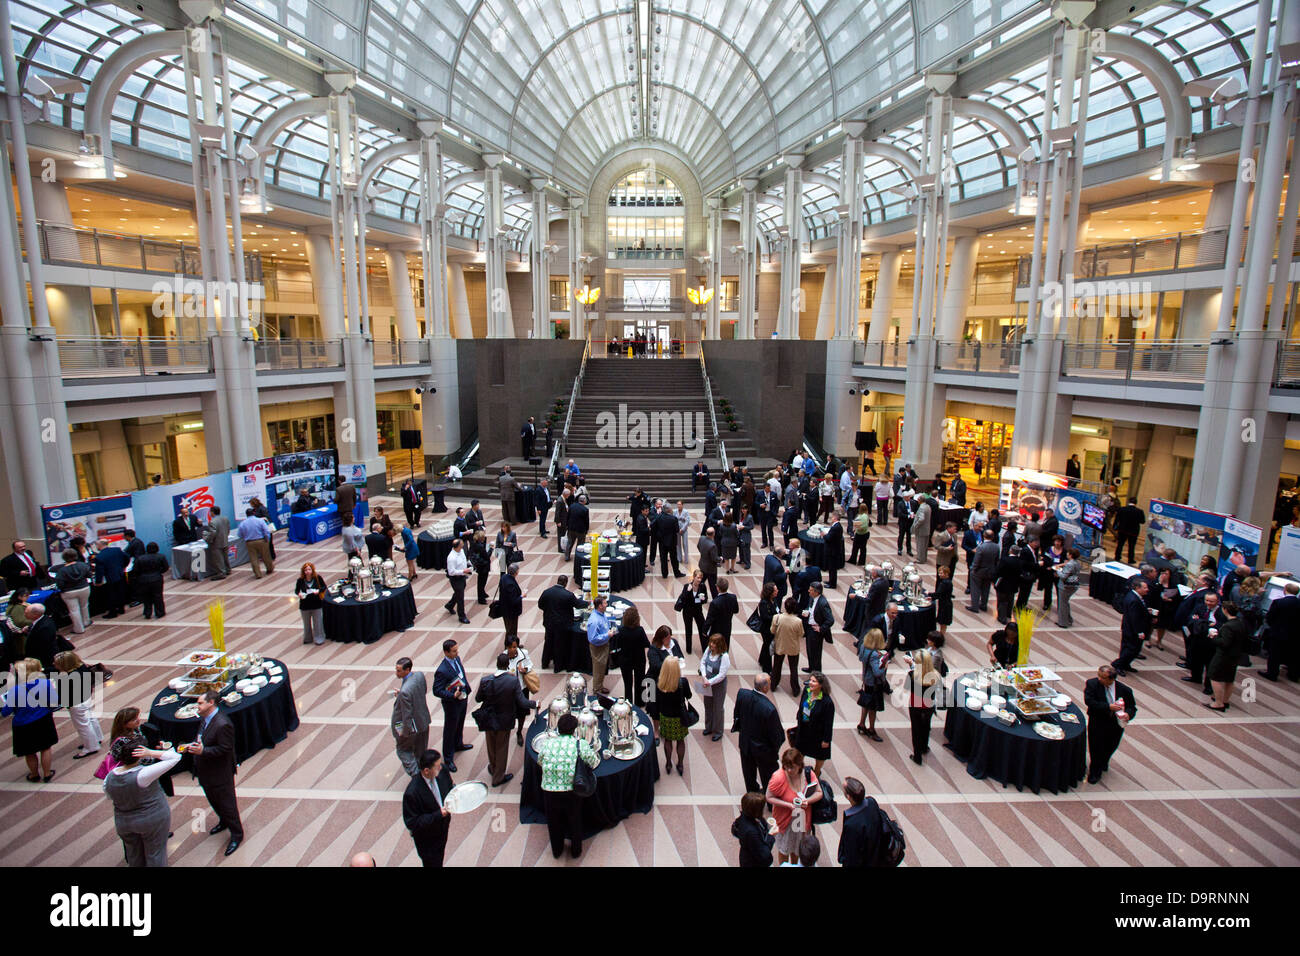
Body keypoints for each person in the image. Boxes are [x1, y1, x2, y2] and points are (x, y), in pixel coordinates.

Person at [102, 732, 181, 867]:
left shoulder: (110, 777)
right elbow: (175, 757)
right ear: (139, 756)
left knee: (134, 855)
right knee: (156, 854)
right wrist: (150, 752)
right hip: (151, 819)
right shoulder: (142, 775)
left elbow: (110, 796)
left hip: (123, 822)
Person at [536, 712, 600, 859]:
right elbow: (594, 762)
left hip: (549, 790)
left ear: (558, 728)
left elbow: (540, 761)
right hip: (572, 791)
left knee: (553, 822)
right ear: (574, 729)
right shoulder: (580, 744)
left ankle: (556, 850)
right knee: (575, 820)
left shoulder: (548, 743)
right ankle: (576, 851)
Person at [191, 690, 243, 856]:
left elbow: (225, 749)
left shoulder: (222, 724)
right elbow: (202, 738)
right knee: (213, 799)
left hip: (220, 773)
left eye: (200, 703)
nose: (197, 706)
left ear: (211, 703)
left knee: (228, 804)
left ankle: (237, 833)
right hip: (205, 770)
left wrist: (203, 751)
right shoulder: (205, 719)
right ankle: (223, 821)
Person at [475, 651, 537, 787]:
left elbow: (478, 698)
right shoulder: (512, 681)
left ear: (497, 664)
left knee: (491, 745)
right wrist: (535, 704)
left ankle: (493, 767)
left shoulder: (485, 680)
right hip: (504, 719)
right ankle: (498, 777)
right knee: (502, 747)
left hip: (488, 718)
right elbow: (522, 702)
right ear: (508, 665)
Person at [3, 657, 58, 782]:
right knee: (45, 747)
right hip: (43, 719)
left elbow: (6, 712)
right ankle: (47, 773)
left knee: (29, 752)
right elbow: (54, 700)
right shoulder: (45, 683)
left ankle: (34, 774)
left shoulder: (15, 690)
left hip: (23, 725)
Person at [765, 748, 822, 865]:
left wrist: (807, 801)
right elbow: (769, 797)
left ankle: (795, 864)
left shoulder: (808, 774)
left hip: (802, 820)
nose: (789, 770)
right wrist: (788, 805)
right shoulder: (778, 777)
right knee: (783, 849)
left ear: (800, 765)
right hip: (785, 821)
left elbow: (819, 792)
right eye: (786, 767)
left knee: (798, 848)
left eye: (793, 767)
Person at [732, 674, 784, 795]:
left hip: (745, 743)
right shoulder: (769, 709)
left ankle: (752, 796)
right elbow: (777, 735)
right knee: (768, 777)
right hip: (763, 750)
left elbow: (737, 715)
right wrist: (774, 749)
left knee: (748, 774)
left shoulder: (742, 694)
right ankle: (771, 803)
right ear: (765, 687)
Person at [1084, 665, 1136, 784]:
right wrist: (1108, 707)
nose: (1099, 679)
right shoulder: (1092, 684)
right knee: (1096, 747)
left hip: (1115, 724)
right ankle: (1094, 772)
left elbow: (1132, 707)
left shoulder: (1125, 690)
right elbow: (1090, 701)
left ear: (1111, 679)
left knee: (1111, 745)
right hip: (1098, 721)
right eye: (1099, 676)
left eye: (1103, 677)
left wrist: (1128, 714)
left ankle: (1104, 761)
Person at [402, 749, 451, 867]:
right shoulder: (412, 793)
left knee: (439, 859)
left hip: (442, 830)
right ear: (426, 771)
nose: (441, 768)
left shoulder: (442, 771)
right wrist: (438, 814)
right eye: (437, 766)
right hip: (427, 840)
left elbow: (449, 786)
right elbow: (412, 823)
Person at [52, 650, 103, 759]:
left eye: (56, 663)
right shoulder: (83, 667)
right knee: (91, 718)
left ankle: (91, 746)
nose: (54, 664)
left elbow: (63, 695)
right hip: (86, 697)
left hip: (76, 703)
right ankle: (97, 737)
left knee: (83, 726)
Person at [904, 633, 946, 765]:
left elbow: (908, 687)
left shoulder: (913, 675)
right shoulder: (935, 675)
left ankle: (917, 756)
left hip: (916, 705)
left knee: (916, 730)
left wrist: (912, 666)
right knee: (926, 726)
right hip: (928, 705)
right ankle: (924, 746)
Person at [433, 639, 472, 772]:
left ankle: (458, 744)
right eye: (454, 651)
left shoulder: (457, 659)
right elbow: (437, 690)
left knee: (460, 723)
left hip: (462, 697)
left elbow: (461, 673)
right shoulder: (441, 670)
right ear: (446, 652)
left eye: (457, 649)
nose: (457, 652)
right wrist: (451, 695)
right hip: (452, 703)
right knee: (450, 729)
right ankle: (448, 758)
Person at [537, 574, 587, 671]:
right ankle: (558, 666)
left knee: (548, 642)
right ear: (565, 583)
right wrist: (588, 603)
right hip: (561, 625)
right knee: (559, 645)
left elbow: (540, 605)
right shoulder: (568, 595)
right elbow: (578, 605)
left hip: (549, 622)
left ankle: (544, 663)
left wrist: (548, 611)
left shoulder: (547, 592)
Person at [1207, 601, 1250, 712]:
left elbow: (1224, 643)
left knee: (1214, 676)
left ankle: (1218, 702)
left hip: (1223, 655)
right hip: (1235, 655)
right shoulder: (1240, 623)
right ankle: (1225, 701)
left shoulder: (1228, 626)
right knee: (1229, 679)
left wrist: (1213, 637)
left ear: (1225, 610)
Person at [391, 657, 431, 777]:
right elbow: (421, 691)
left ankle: (416, 776)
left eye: (399, 671)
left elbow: (406, 716)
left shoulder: (405, 692)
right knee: (421, 751)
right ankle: (424, 773)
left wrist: (405, 733)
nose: (396, 673)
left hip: (412, 726)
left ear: (407, 670)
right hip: (423, 720)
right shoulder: (419, 676)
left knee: (402, 750)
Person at [838, 777, 887, 867]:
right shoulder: (872, 802)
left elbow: (852, 855)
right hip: (876, 854)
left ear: (848, 796)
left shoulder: (852, 824)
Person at [656, 656, 692, 775]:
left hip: (666, 716)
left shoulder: (659, 683)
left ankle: (668, 763)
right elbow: (689, 696)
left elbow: (657, 699)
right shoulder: (683, 682)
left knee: (668, 740)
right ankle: (680, 764)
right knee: (680, 741)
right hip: (680, 717)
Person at [793, 672, 833, 776]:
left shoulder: (827, 702)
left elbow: (828, 722)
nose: (810, 683)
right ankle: (798, 769)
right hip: (804, 729)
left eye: (813, 681)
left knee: (819, 755)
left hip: (817, 732)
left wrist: (826, 739)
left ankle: (817, 771)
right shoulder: (806, 692)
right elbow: (801, 706)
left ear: (821, 684)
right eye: (810, 680)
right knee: (799, 751)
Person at [1259, 582, 1299, 682]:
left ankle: (1272, 673)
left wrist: (1274, 626)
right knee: (1293, 654)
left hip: (1278, 632)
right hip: (1295, 634)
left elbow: (1270, 617)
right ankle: (1293, 675)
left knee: (1274, 654)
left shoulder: (1278, 602)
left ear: (1285, 590)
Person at [1113, 578, 1152, 676]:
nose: (1147, 589)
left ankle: (1126, 665)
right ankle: (1118, 665)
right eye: (1145, 587)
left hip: (1129, 628)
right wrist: (1139, 632)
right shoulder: (1134, 600)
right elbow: (1134, 618)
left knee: (1131, 649)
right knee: (1131, 649)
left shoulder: (1133, 596)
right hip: (1132, 630)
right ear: (1138, 588)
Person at [855, 627, 888, 742]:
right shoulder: (874, 654)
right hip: (874, 684)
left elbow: (861, 658)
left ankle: (862, 723)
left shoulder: (864, 647)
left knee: (866, 703)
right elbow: (877, 672)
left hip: (866, 680)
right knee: (872, 708)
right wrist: (884, 665)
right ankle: (871, 729)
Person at [504, 634, 537, 745]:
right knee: (508, 712)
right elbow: (498, 670)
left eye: (514, 647)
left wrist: (525, 669)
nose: (512, 649)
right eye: (510, 647)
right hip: (508, 690)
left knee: (522, 712)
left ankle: (519, 732)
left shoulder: (524, 653)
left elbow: (530, 664)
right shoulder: (503, 656)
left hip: (522, 688)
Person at [698, 633, 732, 742]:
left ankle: (718, 731)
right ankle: (708, 727)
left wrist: (709, 682)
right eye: (711, 642)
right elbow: (703, 662)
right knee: (707, 705)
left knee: (718, 708)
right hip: (707, 682)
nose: (711, 645)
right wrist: (704, 676)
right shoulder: (708, 650)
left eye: (714, 643)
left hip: (718, 686)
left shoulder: (724, 657)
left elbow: (722, 675)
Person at [614, 606, 650, 707]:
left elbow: (617, 645)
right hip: (639, 660)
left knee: (628, 684)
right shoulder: (640, 630)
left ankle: (628, 703)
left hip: (625, 660)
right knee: (640, 682)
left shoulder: (621, 630)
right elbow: (647, 644)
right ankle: (640, 703)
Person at [771, 598, 805, 696]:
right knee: (793, 668)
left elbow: (772, 631)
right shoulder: (798, 621)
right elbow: (801, 634)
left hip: (780, 646)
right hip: (793, 647)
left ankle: (773, 685)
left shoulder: (776, 617)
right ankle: (795, 689)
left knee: (776, 667)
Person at [53, 548, 92, 634]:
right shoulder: (83, 565)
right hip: (84, 588)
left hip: (69, 592)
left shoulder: (62, 571)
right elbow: (89, 575)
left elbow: (60, 584)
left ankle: (79, 629)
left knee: (74, 610)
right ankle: (86, 622)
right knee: (84, 606)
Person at [732, 791, 775, 868]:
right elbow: (763, 853)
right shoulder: (751, 832)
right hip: (754, 863)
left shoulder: (743, 817)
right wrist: (771, 835)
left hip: (747, 857)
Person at [676, 568, 710, 654]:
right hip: (687, 611)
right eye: (698, 577)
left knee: (702, 629)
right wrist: (688, 591)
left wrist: (703, 599)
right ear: (694, 577)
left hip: (698, 611)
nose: (699, 580)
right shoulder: (687, 586)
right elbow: (683, 598)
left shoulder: (702, 586)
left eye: (701, 578)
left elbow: (705, 599)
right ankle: (688, 649)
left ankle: (704, 647)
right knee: (688, 630)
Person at [802, 581, 833, 672]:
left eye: (810, 590)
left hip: (816, 631)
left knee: (816, 654)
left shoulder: (823, 603)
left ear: (816, 592)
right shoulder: (812, 598)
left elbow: (830, 620)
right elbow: (810, 608)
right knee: (809, 650)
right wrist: (807, 612)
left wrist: (821, 628)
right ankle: (811, 667)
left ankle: (816, 673)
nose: (808, 591)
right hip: (809, 627)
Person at [133, 542, 169, 620]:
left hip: (143, 579)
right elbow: (166, 567)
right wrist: (158, 572)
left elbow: (135, 570)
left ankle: (147, 613)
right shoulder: (161, 557)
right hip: (156, 579)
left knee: (146, 597)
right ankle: (160, 612)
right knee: (158, 596)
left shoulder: (140, 558)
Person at [93, 539, 128, 618]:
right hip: (120, 574)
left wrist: (98, 581)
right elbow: (127, 558)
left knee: (111, 595)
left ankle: (112, 612)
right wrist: (122, 567)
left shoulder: (99, 557)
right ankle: (121, 609)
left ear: (99, 545)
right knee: (121, 592)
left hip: (110, 577)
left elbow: (99, 571)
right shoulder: (117, 550)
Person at [237, 507, 275, 578]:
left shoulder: (243, 523)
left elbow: (239, 534)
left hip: (250, 542)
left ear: (246, 515)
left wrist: (246, 536)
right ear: (254, 513)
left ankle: (258, 574)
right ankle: (269, 569)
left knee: (253, 558)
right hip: (261, 540)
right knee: (266, 556)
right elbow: (266, 531)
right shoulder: (260, 521)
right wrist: (267, 539)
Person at [705, 577, 740, 650]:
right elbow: (736, 610)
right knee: (725, 645)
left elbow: (710, 619)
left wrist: (704, 630)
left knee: (715, 648)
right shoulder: (733, 597)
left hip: (716, 629)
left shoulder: (714, 602)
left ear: (718, 588)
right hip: (727, 627)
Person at [587, 595, 612, 694]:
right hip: (598, 647)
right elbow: (593, 638)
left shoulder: (602, 614)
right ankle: (597, 691)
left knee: (602, 668)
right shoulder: (595, 621)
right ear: (600, 606)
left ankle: (600, 687)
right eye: (605, 603)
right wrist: (607, 635)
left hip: (604, 645)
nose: (606, 605)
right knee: (598, 670)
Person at [443, 538, 471, 624]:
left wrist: (468, 566)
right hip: (456, 579)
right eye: (462, 543)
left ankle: (449, 605)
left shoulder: (461, 551)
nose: (463, 544)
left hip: (462, 576)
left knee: (459, 593)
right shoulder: (451, 557)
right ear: (458, 546)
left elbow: (464, 560)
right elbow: (451, 572)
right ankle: (462, 616)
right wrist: (463, 571)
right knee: (460, 598)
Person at [1054, 547, 1082, 628]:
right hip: (1073, 585)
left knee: (1062, 604)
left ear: (1071, 555)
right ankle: (1068, 619)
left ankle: (1063, 622)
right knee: (1065, 603)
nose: (1067, 554)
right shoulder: (1077, 563)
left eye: (1068, 553)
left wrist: (1058, 570)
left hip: (1065, 586)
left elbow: (1063, 576)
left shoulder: (1070, 564)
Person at [1114, 498, 1146, 564]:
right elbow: (1142, 521)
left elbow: (1117, 519)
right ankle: (1130, 559)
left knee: (1120, 544)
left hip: (1122, 530)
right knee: (1131, 546)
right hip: (1133, 532)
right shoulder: (1139, 511)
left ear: (1128, 502)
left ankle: (1117, 557)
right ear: (1136, 503)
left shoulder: (1122, 509)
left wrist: (1115, 527)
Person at [202, 506, 231, 580]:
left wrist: (208, 540)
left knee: (218, 560)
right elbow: (228, 530)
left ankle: (221, 573)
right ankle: (228, 570)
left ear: (212, 512)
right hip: (225, 541)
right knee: (225, 558)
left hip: (216, 543)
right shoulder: (225, 518)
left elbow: (213, 533)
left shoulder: (212, 522)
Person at [498, 561, 524, 641]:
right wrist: (521, 596)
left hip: (506, 609)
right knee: (511, 630)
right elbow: (513, 601)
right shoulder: (510, 584)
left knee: (511, 629)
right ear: (516, 572)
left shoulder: (504, 577)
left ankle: (514, 645)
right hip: (510, 612)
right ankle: (509, 647)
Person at [469, 530, 491, 606]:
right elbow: (487, 556)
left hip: (479, 565)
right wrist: (491, 549)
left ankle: (482, 593)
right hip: (483, 566)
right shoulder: (480, 547)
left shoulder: (474, 544)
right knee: (482, 582)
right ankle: (481, 598)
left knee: (481, 581)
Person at [565, 493, 589, 561]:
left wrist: (567, 526)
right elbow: (586, 521)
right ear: (584, 501)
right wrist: (586, 530)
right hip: (580, 530)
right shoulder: (585, 510)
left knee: (569, 543)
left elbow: (568, 517)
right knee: (580, 544)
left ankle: (567, 556)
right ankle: (578, 557)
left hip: (571, 528)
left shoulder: (572, 506)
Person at [697, 526, 720, 599]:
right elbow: (715, 558)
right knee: (713, 585)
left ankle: (700, 596)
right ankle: (715, 599)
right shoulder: (712, 545)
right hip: (711, 569)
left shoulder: (702, 538)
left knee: (700, 582)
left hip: (702, 565)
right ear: (713, 534)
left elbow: (698, 546)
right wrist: (720, 559)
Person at [932, 564, 953, 637]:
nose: (939, 574)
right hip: (946, 603)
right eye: (939, 572)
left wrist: (929, 595)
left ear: (946, 573)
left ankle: (941, 637)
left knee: (943, 622)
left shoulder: (944, 583)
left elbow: (938, 593)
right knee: (944, 623)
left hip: (945, 605)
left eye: (941, 573)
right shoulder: (948, 582)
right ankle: (942, 636)